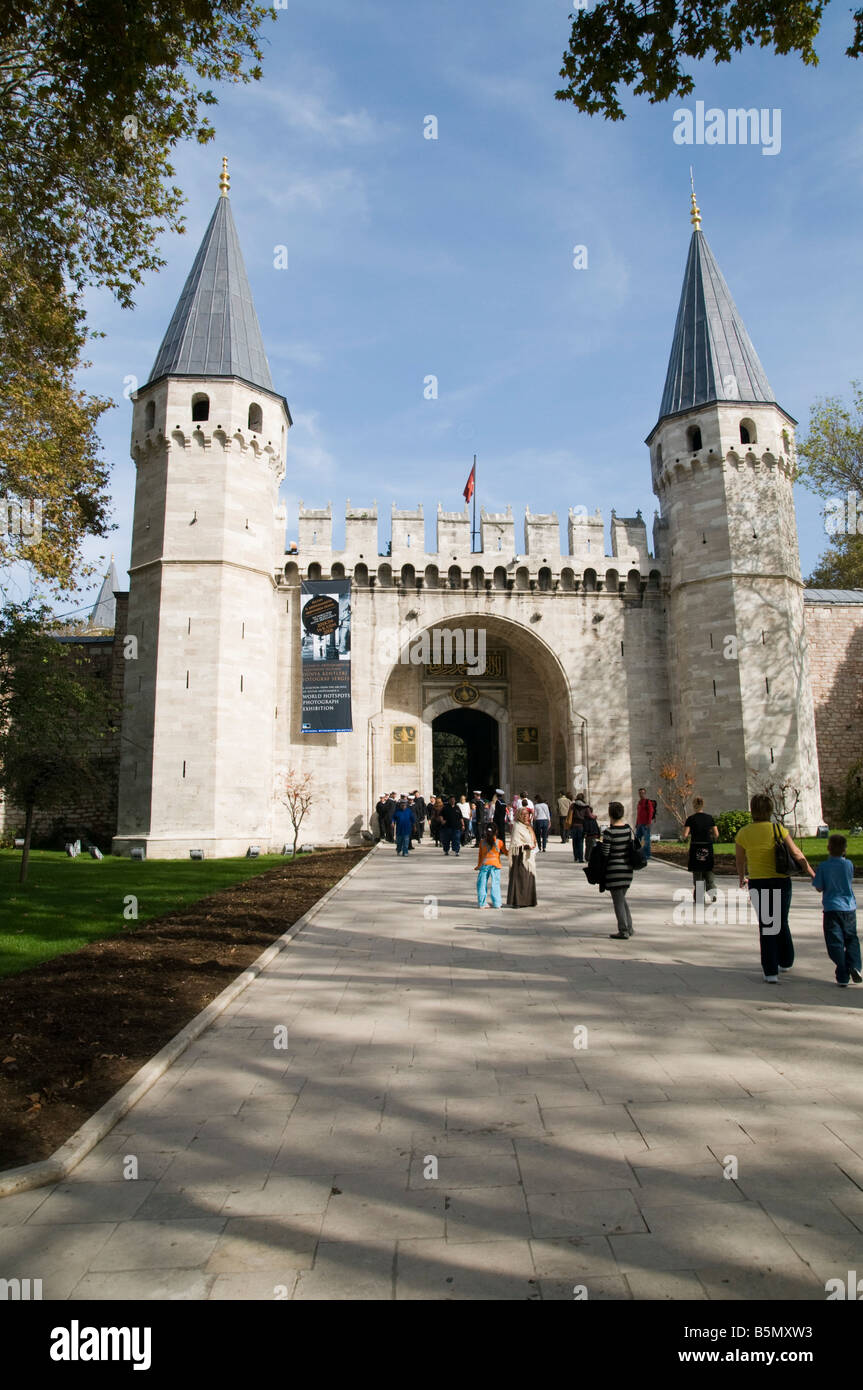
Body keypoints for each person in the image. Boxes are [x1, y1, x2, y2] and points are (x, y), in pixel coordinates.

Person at [735, 793, 815, 983]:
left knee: (767, 924)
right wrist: (812, 873)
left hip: (758, 882)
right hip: (780, 881)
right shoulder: (778, 829)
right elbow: (796, 853)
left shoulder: (743, 833)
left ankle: (770, 971)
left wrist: (741, 878)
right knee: (781, 921)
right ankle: (786, 960)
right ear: (770, 810)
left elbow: (740, 860)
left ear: (752, 810)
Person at [812, 833, 861, 987]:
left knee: (835, 942)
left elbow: (819, 887)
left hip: (831, 907)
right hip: (849, 907)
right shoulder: (848, 864)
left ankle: (843, 971)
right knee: (851, 938)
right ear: (845, 849)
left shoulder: (824, 866)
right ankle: (855, 965)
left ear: (828, 848)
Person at [603, 801, 636, 939]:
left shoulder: (609, 832)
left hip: (614, 870)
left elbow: (605, 853)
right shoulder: (628, 830)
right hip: (627, 869)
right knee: (621, 899)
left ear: (610, 814)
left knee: (618, 901)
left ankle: (623, 930)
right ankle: (629, 927)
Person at [683, 796, 719, 900]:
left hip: (695, 846)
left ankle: (699, 896)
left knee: (697, 871)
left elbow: (685, 834)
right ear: (703, 805)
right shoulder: (709, 818)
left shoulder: (690, 819)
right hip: (707, 846)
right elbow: (716, 834)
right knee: (708, 869)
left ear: (693, 806)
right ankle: (712, 892)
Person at [507, 808, 538, 907]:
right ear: (519, 815)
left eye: (527, 814)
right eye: (523, 814)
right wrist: (525, 846)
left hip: (529, 856)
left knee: (529, 877)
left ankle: (529, 900)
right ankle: (518, 901)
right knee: (521, 878)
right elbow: (515, 843)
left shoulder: (528, 826)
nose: (525, 816)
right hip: (520, 857)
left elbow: (533, 839)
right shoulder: (517, 826)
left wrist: (532, 844)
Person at [475, 824, 509, 909]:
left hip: (484, 865)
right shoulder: (499, 842)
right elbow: (506, 853)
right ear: (496, 831)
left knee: (481, 884)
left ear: (486, 831)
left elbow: (480, 855)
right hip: (495, 865)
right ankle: (497, 903)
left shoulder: (482, 842)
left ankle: (482, 903)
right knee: (495, 884)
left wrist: (478, 865)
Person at [635, 788, 656, 860]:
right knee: (637, 840)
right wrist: (637, 823)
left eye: (642, 793)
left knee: (647, 840)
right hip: (639, 825)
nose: (641, 794)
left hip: (646, 824)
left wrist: (649, 823)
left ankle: (647, 855)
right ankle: (638, 853)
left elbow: (651, 812)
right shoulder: (639, 802)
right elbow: (638, 814)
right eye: (640, 793)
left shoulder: (648, 802)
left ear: (645, 793)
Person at [567, 792, 588, 862]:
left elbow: (569, 814)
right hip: (581, 826)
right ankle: (581, 858)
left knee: (574, 842)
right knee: (580, 842)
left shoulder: (573, 805)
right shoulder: (585, 806)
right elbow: (588, 816)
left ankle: (576, 857)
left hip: (574, 825)